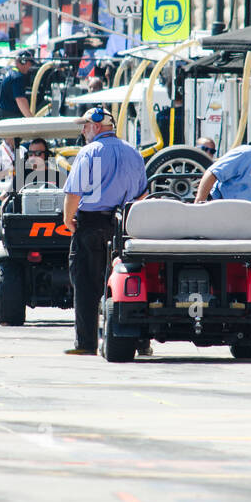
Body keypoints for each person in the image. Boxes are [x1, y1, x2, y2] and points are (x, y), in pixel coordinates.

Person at [62, 107, 149, 355]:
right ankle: (140, 343)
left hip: (91, 223)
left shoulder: (90, 152)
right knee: (129, 284)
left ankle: (86, 343)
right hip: (125, 225)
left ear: (97, 127)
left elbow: (74, 192)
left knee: (87, 284)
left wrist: (69, 219)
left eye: (85, 125)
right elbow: (143, 192)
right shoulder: (133, 152)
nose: (83, 130)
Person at [0, 138, 66, 292]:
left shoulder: (57, 176)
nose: (34, 157)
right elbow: (5, 197)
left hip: (45, 225)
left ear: (47, 155)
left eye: (39, 153)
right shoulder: (23, 175)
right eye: (31, 153)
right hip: (21, 222)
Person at [0, 50, 36, 121]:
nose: (30, 67)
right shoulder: (17, 76)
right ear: (23, 61)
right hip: (9, 117)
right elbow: (20, 100)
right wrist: (31, 120)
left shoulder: (0, 72)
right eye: (30, 63)